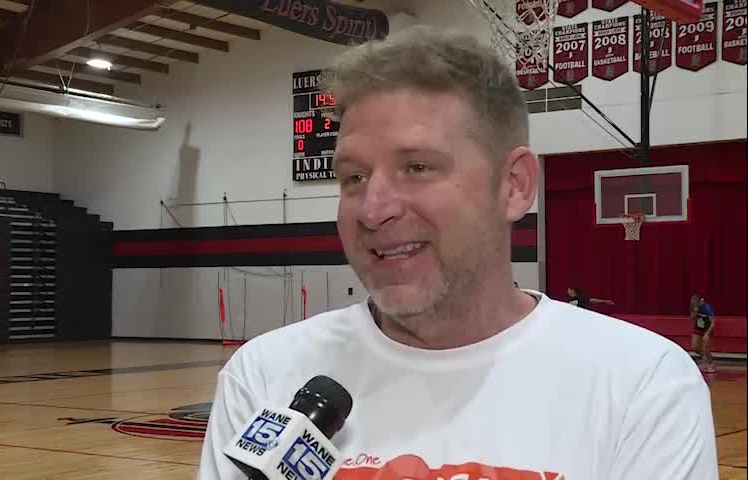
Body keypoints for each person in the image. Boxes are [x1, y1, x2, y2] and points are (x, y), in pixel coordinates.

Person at [198, 27, 717, 479]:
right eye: (353, 177)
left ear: (514, 186)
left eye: (417, 167)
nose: (372, 209)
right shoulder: (264, 374)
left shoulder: (641, 385)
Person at [690, 294, 716, 373]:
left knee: (706, 348)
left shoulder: (707, 307)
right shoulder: (693, 306)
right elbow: (692, 318)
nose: (693, 304)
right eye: (692, 303)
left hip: (707, 328)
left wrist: (707, 333)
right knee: (694, 347)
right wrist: (695, 311)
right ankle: (704, 358)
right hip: (698, 327)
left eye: (695, 303)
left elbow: (713, 322)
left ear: (700, 301)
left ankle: (711, 364)